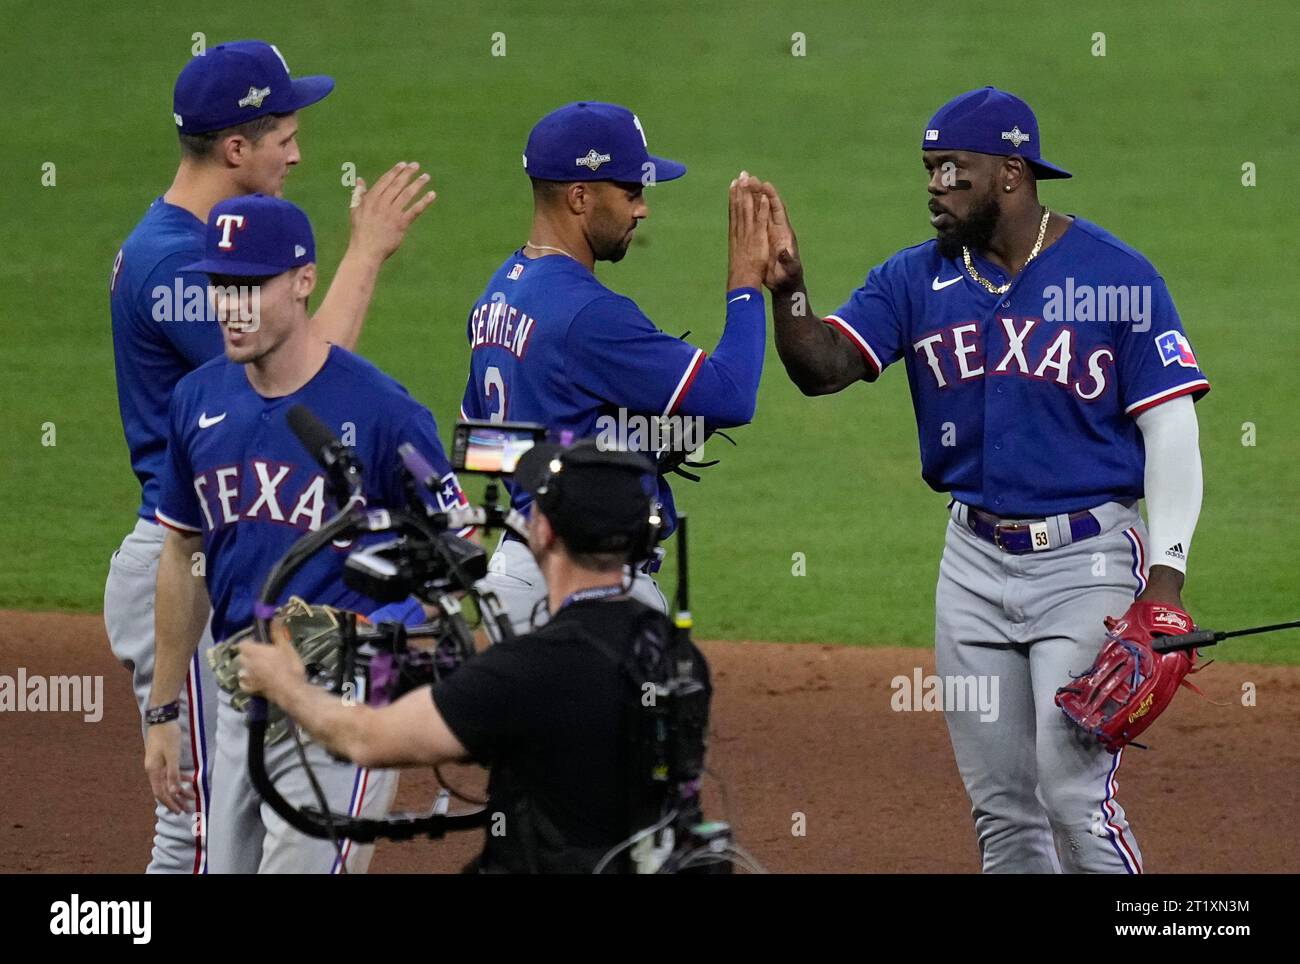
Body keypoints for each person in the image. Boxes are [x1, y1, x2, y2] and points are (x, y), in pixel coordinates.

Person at [757, 87, 1209, 873]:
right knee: (1004, 812)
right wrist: (788, 288)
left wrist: (1164, 584)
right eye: (929, 170)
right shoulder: (913, 279)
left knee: (1073, 796)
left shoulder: (1115, 277)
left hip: (1087, 564)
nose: (934, 186)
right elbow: (823, 369)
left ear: (1009, 173)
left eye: (951, 170)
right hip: (970, 568)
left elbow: (1170, 427)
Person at [106, 38, 436, 873]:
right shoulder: (183, 264)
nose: (298, 151)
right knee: (196, 830)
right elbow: (303, 380)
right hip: (188, 557)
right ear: (235, 147)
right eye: (284, 132)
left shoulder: (181, 241)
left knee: (213, 827)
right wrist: (364, 253)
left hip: (221, 544)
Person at [144, 194, 465, 873]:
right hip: (243, 697)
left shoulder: (384, 413)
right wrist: (164, 707)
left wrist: (381, 638)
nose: (231, 308)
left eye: (250, 288)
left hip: (342, 700)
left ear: (303, 281)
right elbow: (181, 550)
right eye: (221, 288)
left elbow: (461, 562)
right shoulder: (198, 400)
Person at [238, 440, 706, 873]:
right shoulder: (677, 654)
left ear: (542, 532)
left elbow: (366, 741)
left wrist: (285, 685)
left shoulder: (527, 668)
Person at [458, 100, 770, 633]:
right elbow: (732, 394)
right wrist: (746, 281)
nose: (642, 208)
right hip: (589, 585)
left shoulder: (498, 292)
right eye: (631, 192)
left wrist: (621, 445)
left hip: (514, 576)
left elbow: (483, 444)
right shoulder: (591, 313)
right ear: (580, 196)